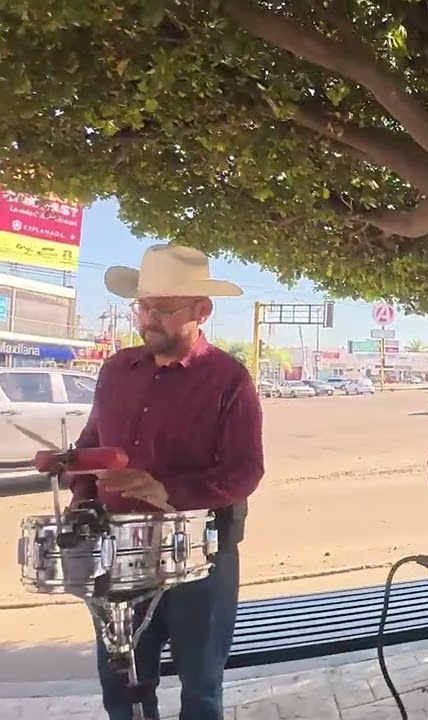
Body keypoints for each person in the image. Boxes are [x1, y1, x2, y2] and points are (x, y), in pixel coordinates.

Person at [70, 244, 265, 720]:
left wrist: (167, 492)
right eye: (143, 306)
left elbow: (246, 471)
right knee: (122, 684)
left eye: (164, 308)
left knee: (200, 689)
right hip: (116, 552)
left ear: (202, 311)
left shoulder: (228, 379)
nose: (149, 319)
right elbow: (91, 443)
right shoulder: (116, 370)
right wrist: (78, 488)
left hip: (200, 555)